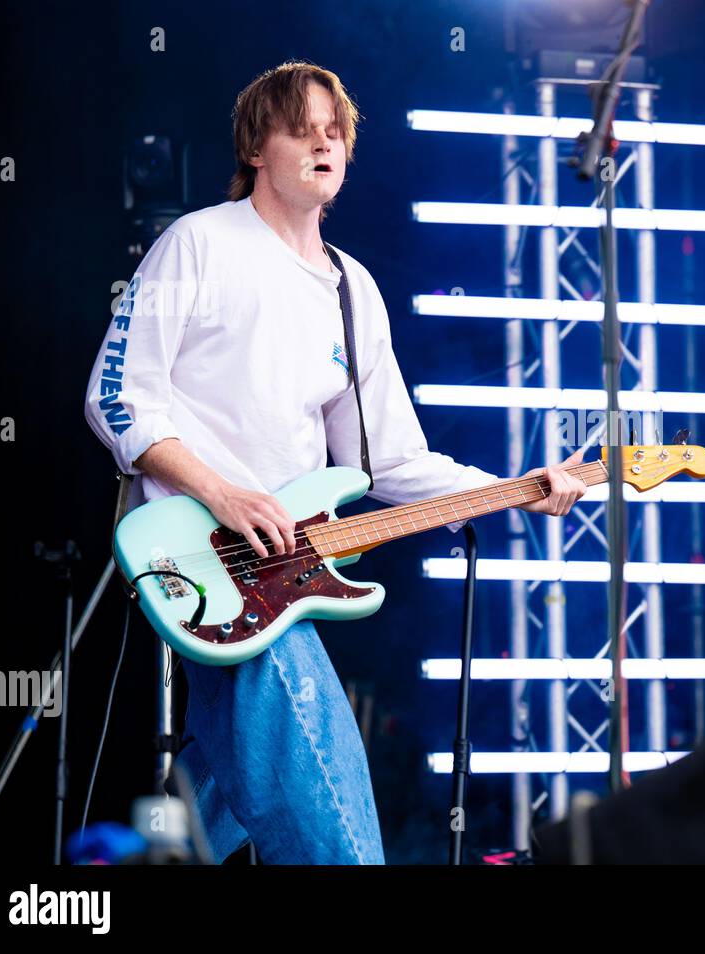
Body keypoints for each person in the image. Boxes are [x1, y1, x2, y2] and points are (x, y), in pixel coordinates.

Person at [82, 61, 586, 864]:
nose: (325, 141)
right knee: (315, 757)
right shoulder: (197, 243)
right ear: (256, 147)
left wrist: (517, 491)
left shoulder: (354, 290)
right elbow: (118, 399)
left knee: (206, 804)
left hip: (285, 570)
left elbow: (391, 461)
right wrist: (225, 493)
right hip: (199, 551)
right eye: (301, 127)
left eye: (336, 130)